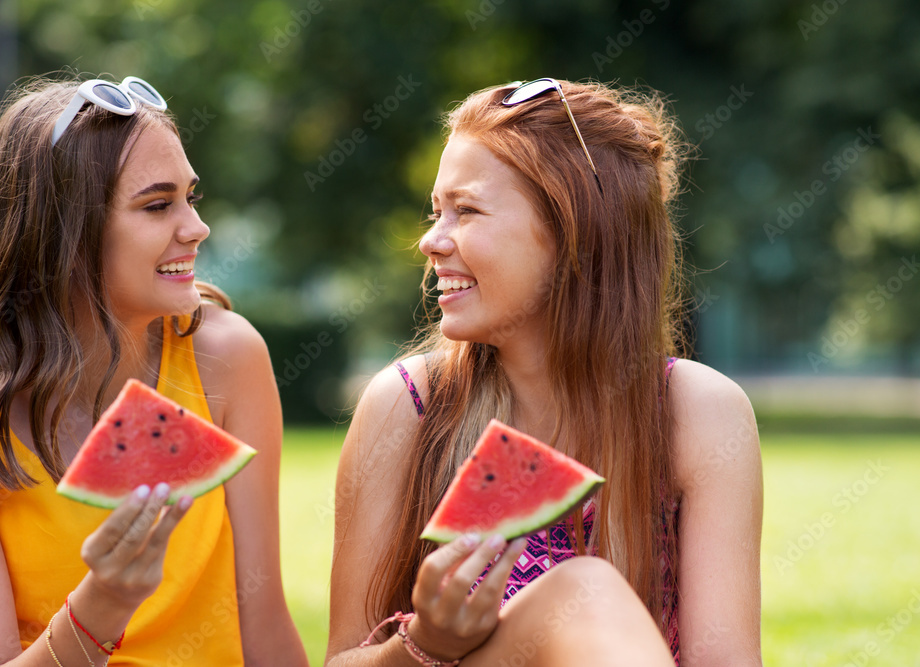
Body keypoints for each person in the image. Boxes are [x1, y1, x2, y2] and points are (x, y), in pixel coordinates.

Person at [326, 78, 763, 666]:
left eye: (467, 211)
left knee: (586, 594)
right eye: (436, 212)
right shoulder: (407, 404)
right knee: (585, 593)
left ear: (574, 235)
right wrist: (427, 643)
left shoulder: (700, 411)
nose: (430, 241)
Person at [0, 76, 308, 666]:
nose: (195, 228)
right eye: (157, 205)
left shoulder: (227, 358)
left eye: (190, 198)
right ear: (62, 234)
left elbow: (263, 622)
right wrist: (104, 603)